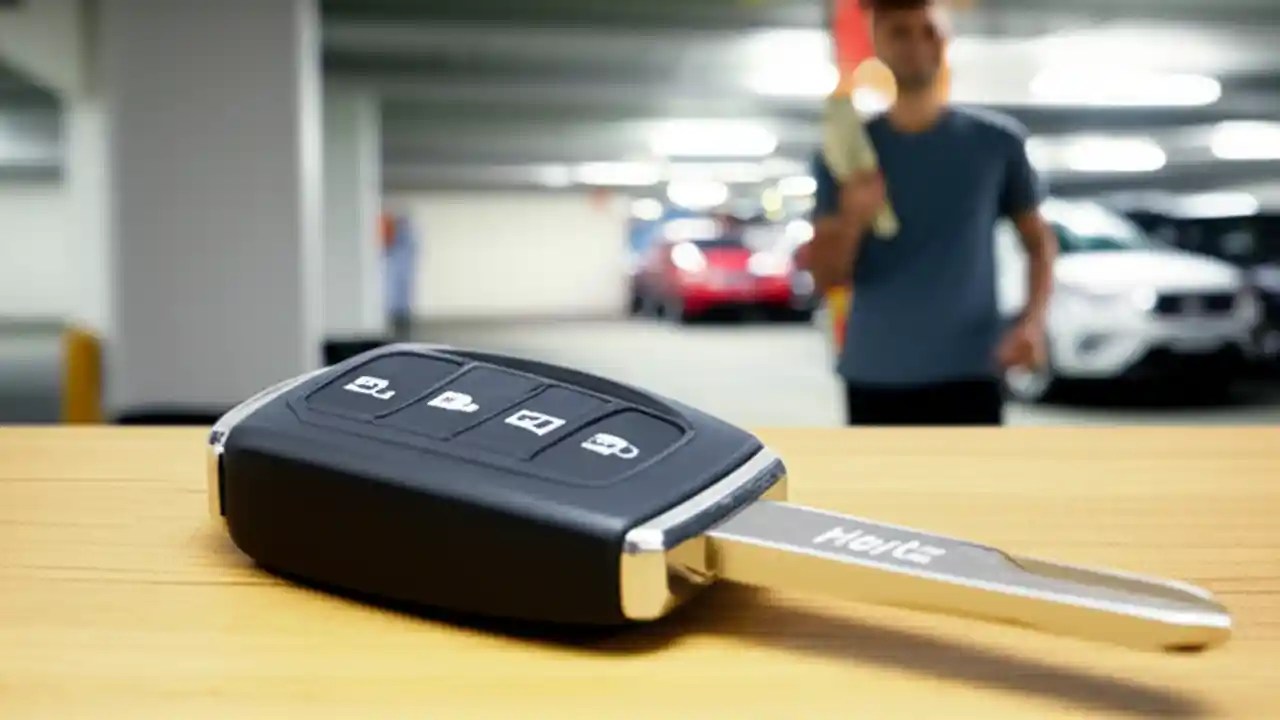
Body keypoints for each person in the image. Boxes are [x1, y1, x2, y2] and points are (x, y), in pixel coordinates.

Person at [810, 0, 1058, 426]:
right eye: (899, 33)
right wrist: (854, 217)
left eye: (928, 30)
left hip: (971, 370)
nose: (916, 44)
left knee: (974, 491)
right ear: (878, 45)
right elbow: (826, 278)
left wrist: (1031, 323)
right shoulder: (848, 153)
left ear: (946, 39)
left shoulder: (997, 143)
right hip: (876, 372)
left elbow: (1039, 243)